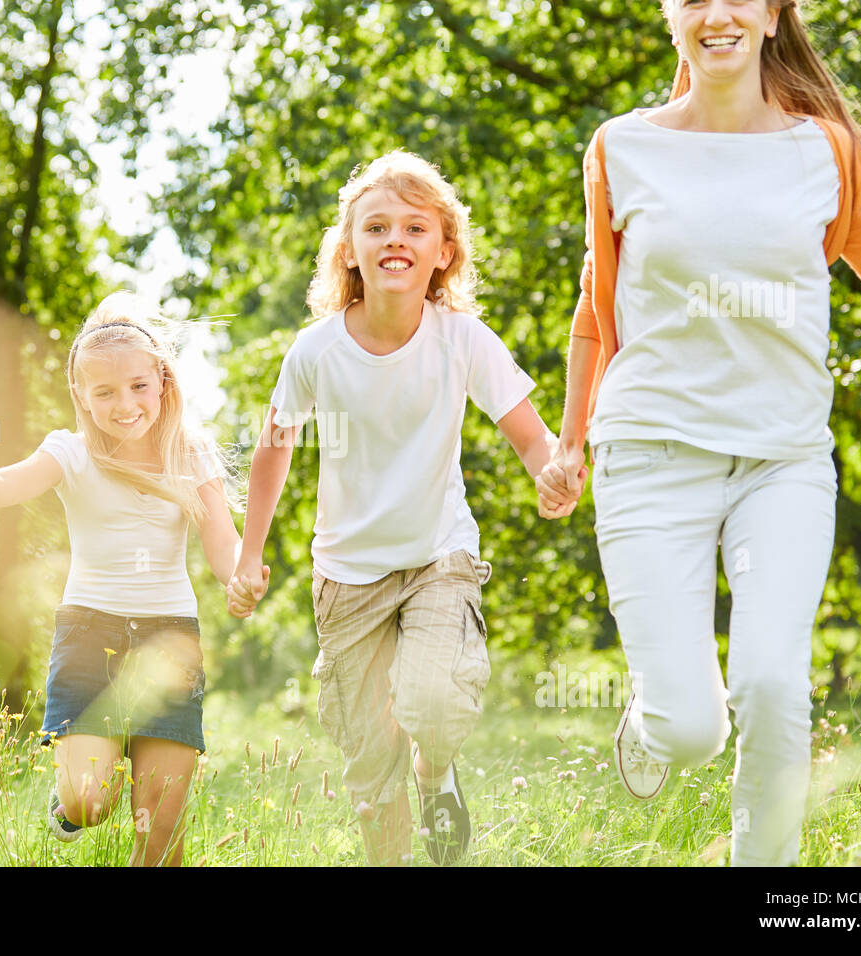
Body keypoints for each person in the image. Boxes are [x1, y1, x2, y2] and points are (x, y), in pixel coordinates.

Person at [537, 0, 861, 866]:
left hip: (782, 460)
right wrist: (570, 443)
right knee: (691, 731)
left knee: (772, 684)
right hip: (649, 454)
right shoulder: (622, 146)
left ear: (771, 15)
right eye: (693, 0)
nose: (715, 14)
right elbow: (595, 307)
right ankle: (656, 721)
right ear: (670, 17)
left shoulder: (824, 146)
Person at [227, 151, 559, 866]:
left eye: (415, 227)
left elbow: (531, 436)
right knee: (371, 777)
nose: (395, 240)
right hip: (347, 576)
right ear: (349, 249)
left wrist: (552, 473)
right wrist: (249, 555)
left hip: (438, 555)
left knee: (434, 706)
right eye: (376, 227)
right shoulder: (316, 351)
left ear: (444, 252)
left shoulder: (463, 339)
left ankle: (436, 774)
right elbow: (274, 450)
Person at [0, 292, 256, 867]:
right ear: (81, 395)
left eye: (138, 387)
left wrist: (239, 579)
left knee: (160, 825)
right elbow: (3, 485)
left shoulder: (190, 454)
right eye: (104, 392)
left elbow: (222, 542)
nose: (124, 404)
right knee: (90, 800)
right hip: (87, 635)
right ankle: (70, 805)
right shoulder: (70, 453)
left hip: (170, 638)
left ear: (163, 384)